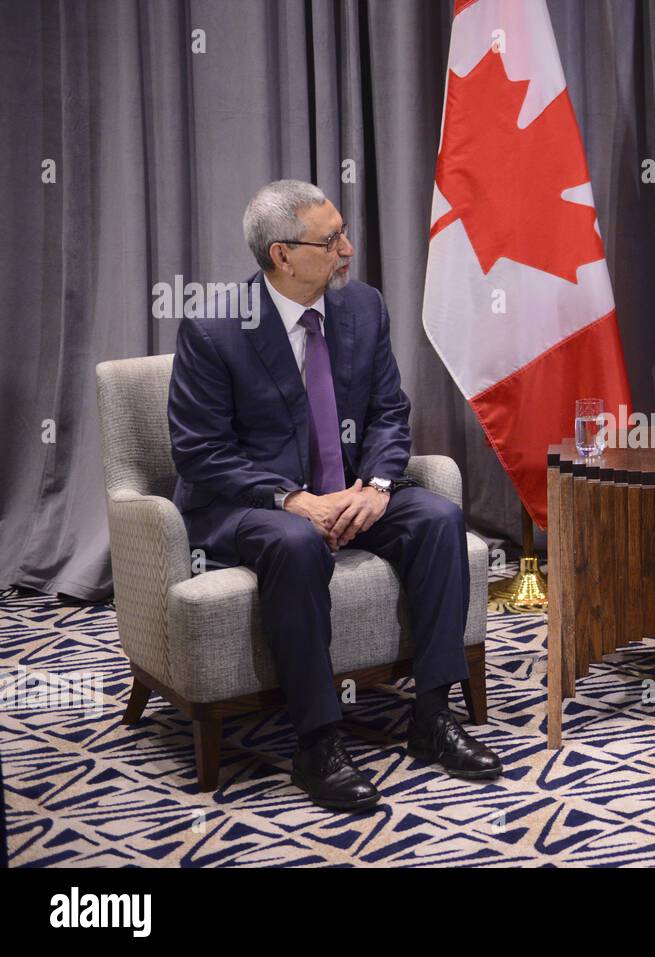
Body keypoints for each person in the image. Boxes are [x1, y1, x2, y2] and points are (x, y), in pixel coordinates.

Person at [168, 179, 501, 812]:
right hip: (253, 507)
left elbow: (388, 413)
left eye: (343, 232)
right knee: (295, 541)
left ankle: (431, 715)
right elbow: (199, 452)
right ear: (281, 255)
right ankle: (318, 741)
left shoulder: (362, 308)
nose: (347, 249)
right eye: (331, 240)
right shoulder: (214, 329)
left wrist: (376, 487)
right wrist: (291, 499)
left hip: (348, 492)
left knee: (437, 517)